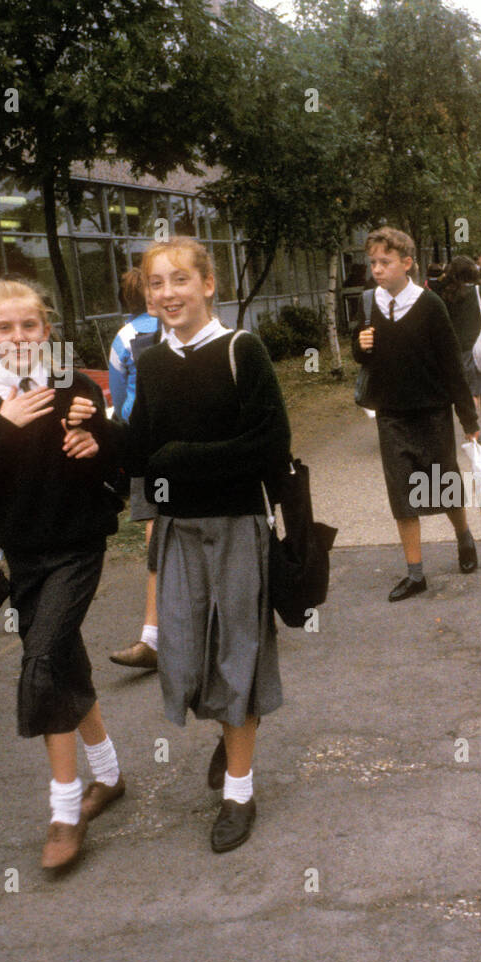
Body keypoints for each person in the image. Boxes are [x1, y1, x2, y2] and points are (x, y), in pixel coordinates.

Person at [0, 279, 124, 871]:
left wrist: (93, 440)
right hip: (22, 556)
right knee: (65, 657)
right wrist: (5, 425)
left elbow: (120, 469)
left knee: (43, 661)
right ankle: (110, 775)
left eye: (29, 326)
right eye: (5, 328)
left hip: (78, 547)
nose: (18, 337)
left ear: (45, 331)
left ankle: (64, 810)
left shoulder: (74, 385)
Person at [126, 236, 292, 854]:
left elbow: (269, 445)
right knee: (185, 659)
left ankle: (240, 791)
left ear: (207, 284)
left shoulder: (240, 350)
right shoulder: (150, 360)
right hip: (177, 533)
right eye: (156, 284)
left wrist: (182, 460)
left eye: (179, 281)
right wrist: (91, 438)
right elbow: (140, 446)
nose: (167, 294)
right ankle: (229, 736)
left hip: (237, 528)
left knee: (238, 657)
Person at [353, 227, 481, 602]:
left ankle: (464, 537)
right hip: (391, 415)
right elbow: (363, 356)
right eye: (373, 262)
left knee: (443, 485)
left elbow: (452, 367)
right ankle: (415, 574)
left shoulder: (429, 305)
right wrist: (359, 347)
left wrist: (469, 420)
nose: (377, 269)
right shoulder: (368, 303)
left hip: (431, 413)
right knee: (402, 495)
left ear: (407, 263)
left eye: (385, 262)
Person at [107, 268, 163, 671]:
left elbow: (121, 398)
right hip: (180, 441)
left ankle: (154, 637)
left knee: (156, 535)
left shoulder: (124, 338)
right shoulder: (186, 325)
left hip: (147, 445)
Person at [440, 255, 481, 445]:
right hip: (480, 345)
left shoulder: (447, 294)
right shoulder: (478, 290)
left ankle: (472, 427)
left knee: (469, 389)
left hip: (458, 348)